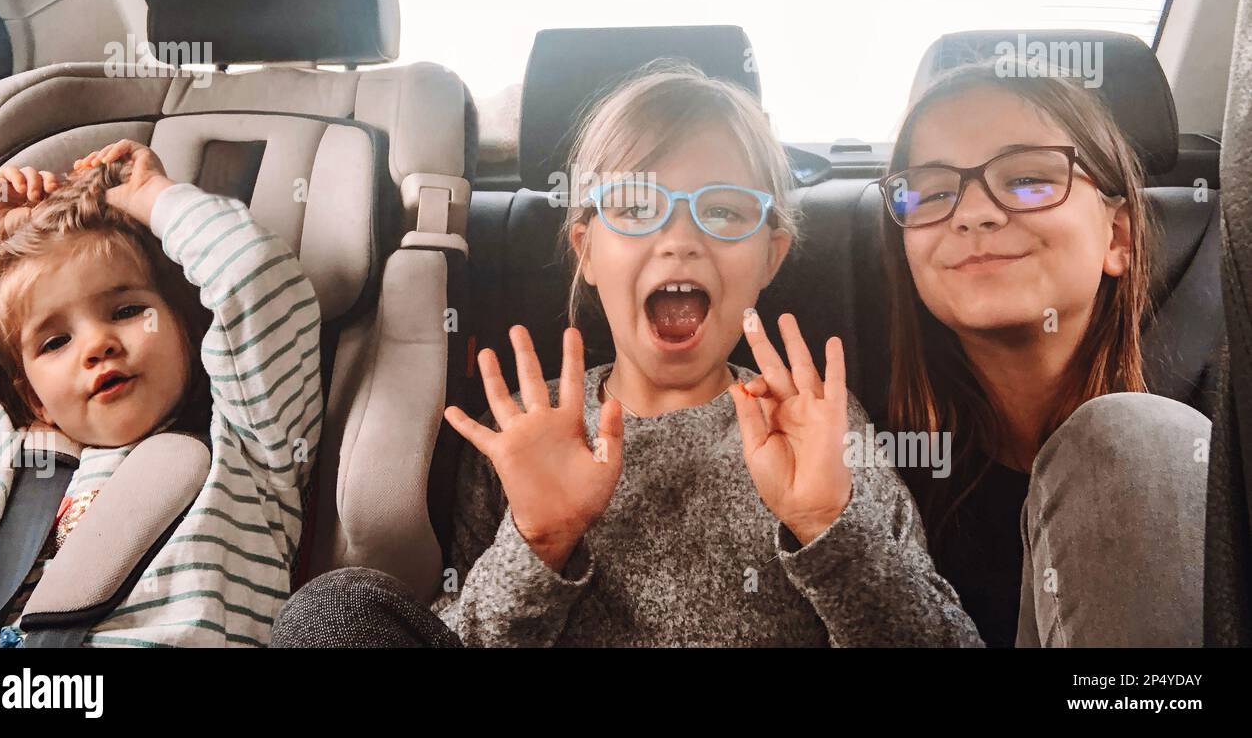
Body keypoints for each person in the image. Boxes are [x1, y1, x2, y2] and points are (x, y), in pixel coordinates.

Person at [273, 64, 981, 647]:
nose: (681, 238)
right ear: (587, 251)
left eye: (725, 210)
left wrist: (829, 525)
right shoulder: (531, 431)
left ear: (771, 257)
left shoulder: (818, 425)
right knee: (336, 610)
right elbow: (470, 638)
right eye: (637, 207)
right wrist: (538, 542)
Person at [879, 59, 1210, 647]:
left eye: (1028, 180)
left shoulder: (1216, 427)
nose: (974, 213)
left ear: (1119, 237)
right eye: (932, 192)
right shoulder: (877, 470)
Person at [0, 139, 322, 646]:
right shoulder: (2, 463)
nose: (97, 345)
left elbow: (253, 277)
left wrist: (154, 197)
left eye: (126, 311)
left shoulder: (247, 445)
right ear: (34, 396)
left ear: (187, 332)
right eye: (56, 341)